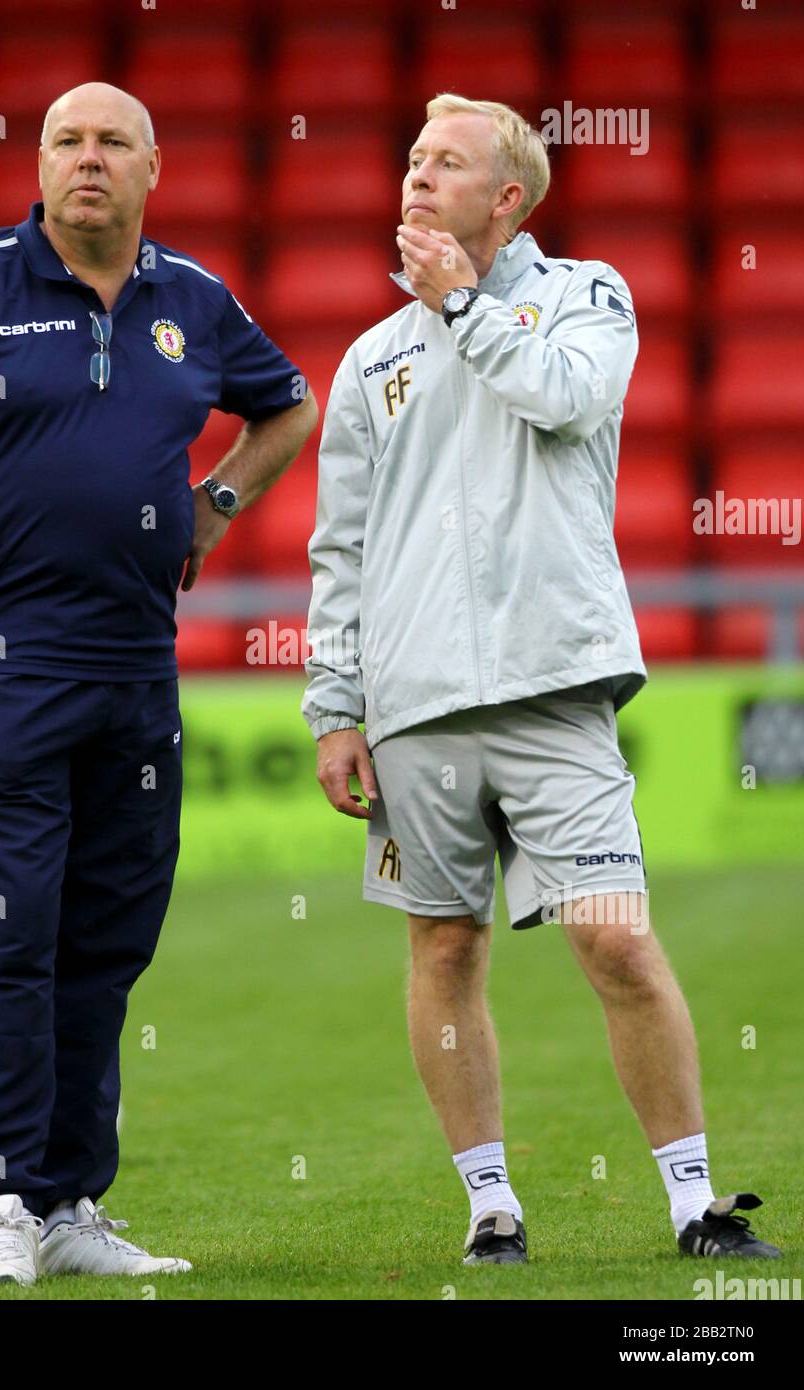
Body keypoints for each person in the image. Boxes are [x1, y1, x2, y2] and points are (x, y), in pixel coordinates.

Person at [0, 82, 317, 1287]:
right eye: (68, 142)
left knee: (105, 940)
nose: (90, 160)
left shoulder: (194, 298)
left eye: (113, 143)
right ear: (38, 167)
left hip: (134, 671)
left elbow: (287, 406)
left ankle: (73, 1200)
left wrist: (213, 506)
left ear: (152, 169)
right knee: (4, 934)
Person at [303, 94, 780, 1267]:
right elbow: (342, 546)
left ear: (506, 198)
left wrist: (460, 302)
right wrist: (334, 703)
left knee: (615, 939)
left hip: (555, 685)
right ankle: (492, 1211)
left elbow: (566, 396)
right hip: (415, 705)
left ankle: (694, 1206)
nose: (416, 178)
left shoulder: (584, 294)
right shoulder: (371, 357)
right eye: (412, 159)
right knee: (446, 950)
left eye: (446, 163)